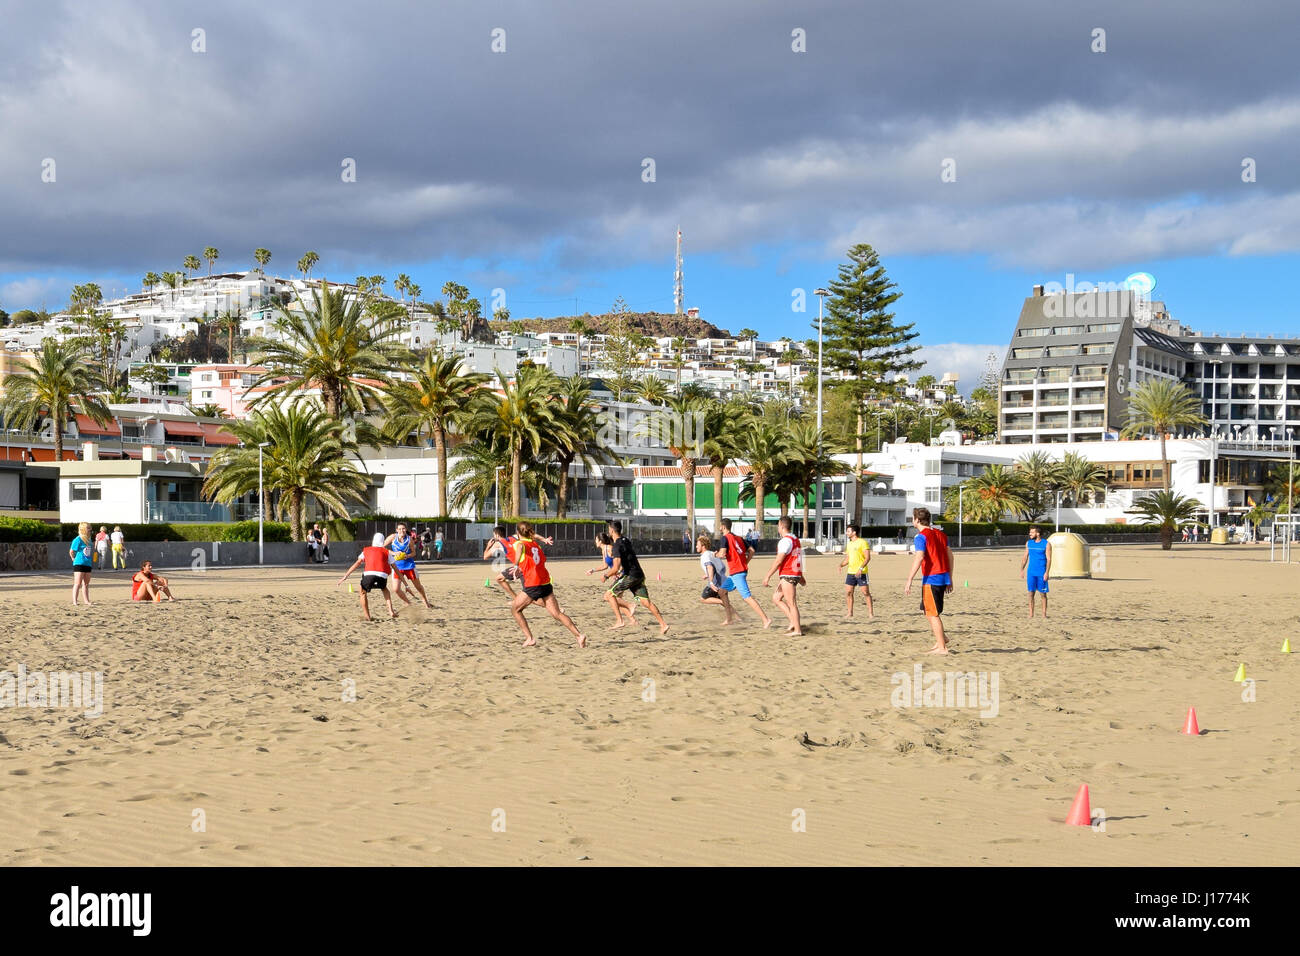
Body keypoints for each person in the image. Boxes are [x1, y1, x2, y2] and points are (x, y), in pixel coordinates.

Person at [510, 522, 586, 648]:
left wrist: (516, 565)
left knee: (515, 609)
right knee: (557, 613)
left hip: (533, 584)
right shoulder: (535, 544)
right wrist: (543, 539)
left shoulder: (519, 544)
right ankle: (579, 635)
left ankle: (529, 638)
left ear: (518, 533)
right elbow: (534, 537)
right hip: (545, 583)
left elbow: (519, 549)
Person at [602, 520, 669, 634]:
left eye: (609, 528)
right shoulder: (626, 540)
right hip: (639, 575)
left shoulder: (617, 545)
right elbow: (627, 558)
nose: (608, 531)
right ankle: (663, 624)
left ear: (612, 530)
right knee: (646, 602)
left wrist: (606, 575)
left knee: (608, 595)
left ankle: (620, 620)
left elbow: (616, 567)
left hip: (630, 575)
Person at [904, 507, 954, 655]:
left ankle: (942, 648)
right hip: (943, 576)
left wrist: (909, 579)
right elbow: (950, 556)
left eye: (913, 518)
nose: (912, 521)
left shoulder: (921, 536)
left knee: (933, 614)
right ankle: (942, 639)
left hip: (932, 578)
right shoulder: (940, 534)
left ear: (917, 520)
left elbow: (919, 557)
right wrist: (949, 577)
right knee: (928, 610)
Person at [716, 517, 774, 628]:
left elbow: (722, 554)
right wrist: (745, 562)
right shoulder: (739, 538)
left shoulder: (725, 538)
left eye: (720, 526)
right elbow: (752, 550)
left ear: (723, 527)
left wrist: (716, 555)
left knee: (747, 597)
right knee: (722, 592)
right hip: (737, 572)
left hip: (738, 572)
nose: (719, 528)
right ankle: (729, 619)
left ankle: (766, 619)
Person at [337, 533, 400, 621]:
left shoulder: (366, 550)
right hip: (382, 576)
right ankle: (390, 611)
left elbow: (357, 563)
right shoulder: (386, 551)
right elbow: (395, 568)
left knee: (362, 592)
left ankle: (367, 616)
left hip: (369, 575)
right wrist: (405, 582)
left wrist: (345, 576)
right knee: (385, 589)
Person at [762, 516, 805, 636]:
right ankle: (793, 622)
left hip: (788, 574)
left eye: (778, 525)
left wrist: (767, 576)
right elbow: (798, 557)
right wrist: (800, 576)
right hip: (792, 573)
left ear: (781, 525)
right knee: (776, 598)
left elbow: (778, 561)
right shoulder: (795, 538)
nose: (777, 528)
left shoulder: (785, 541)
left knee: (791, 603)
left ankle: (797, 630)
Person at [484, 524, 551, 599]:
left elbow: (485, 556)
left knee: (530, 595)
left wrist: (488, 546)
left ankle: (551, 606)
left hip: (521, 567)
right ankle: (515, 598)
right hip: (522, 565)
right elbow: (532, 535)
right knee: (500, 578)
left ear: (496, 535)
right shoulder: (515, 536)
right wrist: (544, 539)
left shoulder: (497, 544)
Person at [384, 523, 433, 609]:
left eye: (403, 529)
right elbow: (382, 547)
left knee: (418, 587)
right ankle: (408, 602)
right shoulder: (392, 537)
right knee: (396, 589)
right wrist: (394, 553)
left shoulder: (409, 539)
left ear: (406, 529)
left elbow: (414, 553)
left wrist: (407, 556)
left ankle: (425, 600)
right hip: (397, 567)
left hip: (409, 566)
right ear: (396, 530)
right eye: (399, 529)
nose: (401, 531)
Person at [697, 533, 738, 625]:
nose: (696, 546)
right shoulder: (712, 553)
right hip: (722, 579)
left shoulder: (704, 556)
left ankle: (723, 604)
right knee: (725, 601)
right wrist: (707, 574)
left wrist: (711, 581)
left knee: (703, 599)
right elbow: (721, 567)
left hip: (715, 582)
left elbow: (710, 568)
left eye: (697, 544)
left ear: (703, 546)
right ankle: (738, 617)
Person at [838, 523, 873, 619]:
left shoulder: (862, 542)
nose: (846, 533)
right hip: (850, 572)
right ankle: (850, 613)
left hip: (862, 572)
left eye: (848, 531)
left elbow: (867, 558)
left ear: (854, 532)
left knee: (865, 592)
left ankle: (870, 613)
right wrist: (841, 564)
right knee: (848, 592)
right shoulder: (849, 544)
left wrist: (860, 569)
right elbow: (848, 558)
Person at [1020, 525, 1052, 618]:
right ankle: (1031, 614)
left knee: (1043, 594)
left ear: (1038, 533)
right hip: (1031, 572)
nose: (1030, 534)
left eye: (1032, 532)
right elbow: (1025, 557)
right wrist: (1022, 569)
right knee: (1030, 593)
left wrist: (1047, 572)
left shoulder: (1046, 544)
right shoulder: (1029, 543)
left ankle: (1044, 614)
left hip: (1041, 572)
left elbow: (1049, 559)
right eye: (1030, 532)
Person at [69, 521, 95, 605]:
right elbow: (72, 551)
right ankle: (75, 601)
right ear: (83, 529)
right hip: (79, 563)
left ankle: (86, 601)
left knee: (86, 584)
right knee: (77, 583)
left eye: (90, 528)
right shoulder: (78, 539)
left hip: (87, 563)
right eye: (88, 528)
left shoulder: (89, 539)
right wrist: (73, 558)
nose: (90, 529)